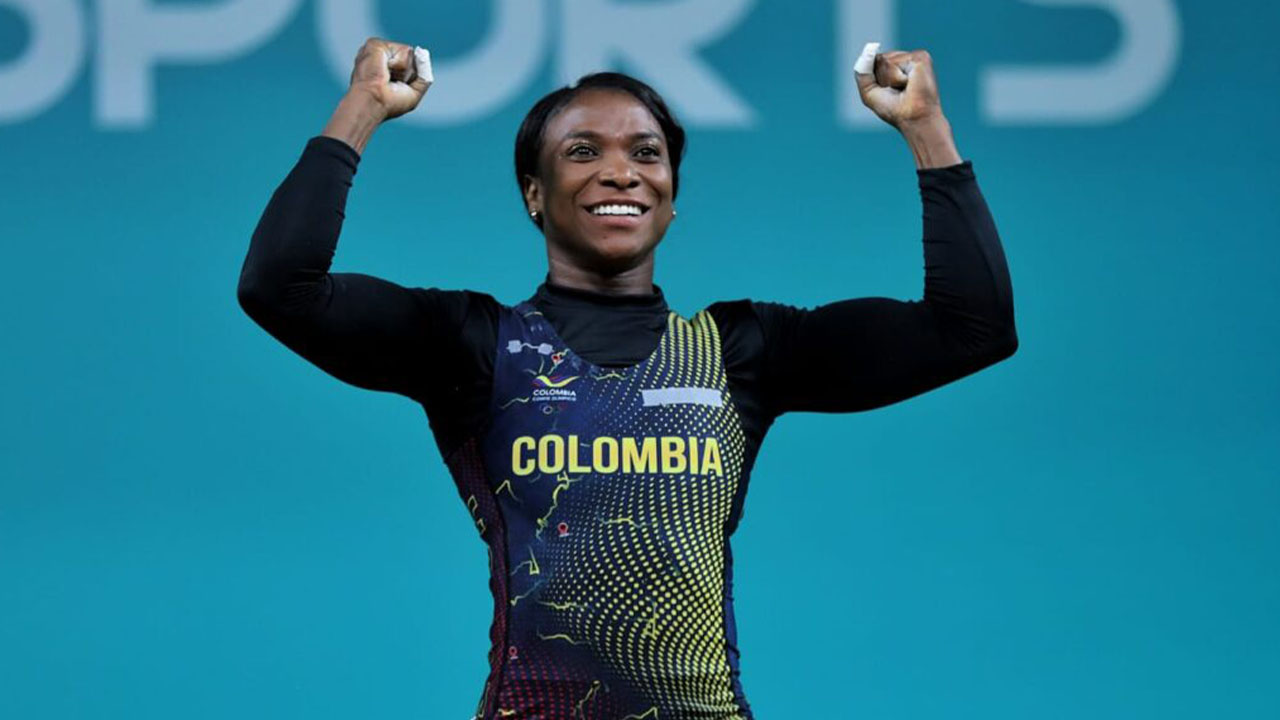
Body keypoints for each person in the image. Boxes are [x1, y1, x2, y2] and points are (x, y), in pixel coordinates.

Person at [237, 36, 1017, 720]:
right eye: (583, 152)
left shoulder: (742, 348)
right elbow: (280, 288)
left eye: (647, 153)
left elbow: (971, 329)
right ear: (534, 197)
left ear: (672, 197)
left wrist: (926, 129)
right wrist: (362, 109)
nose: (622, 172)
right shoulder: (472, 344)